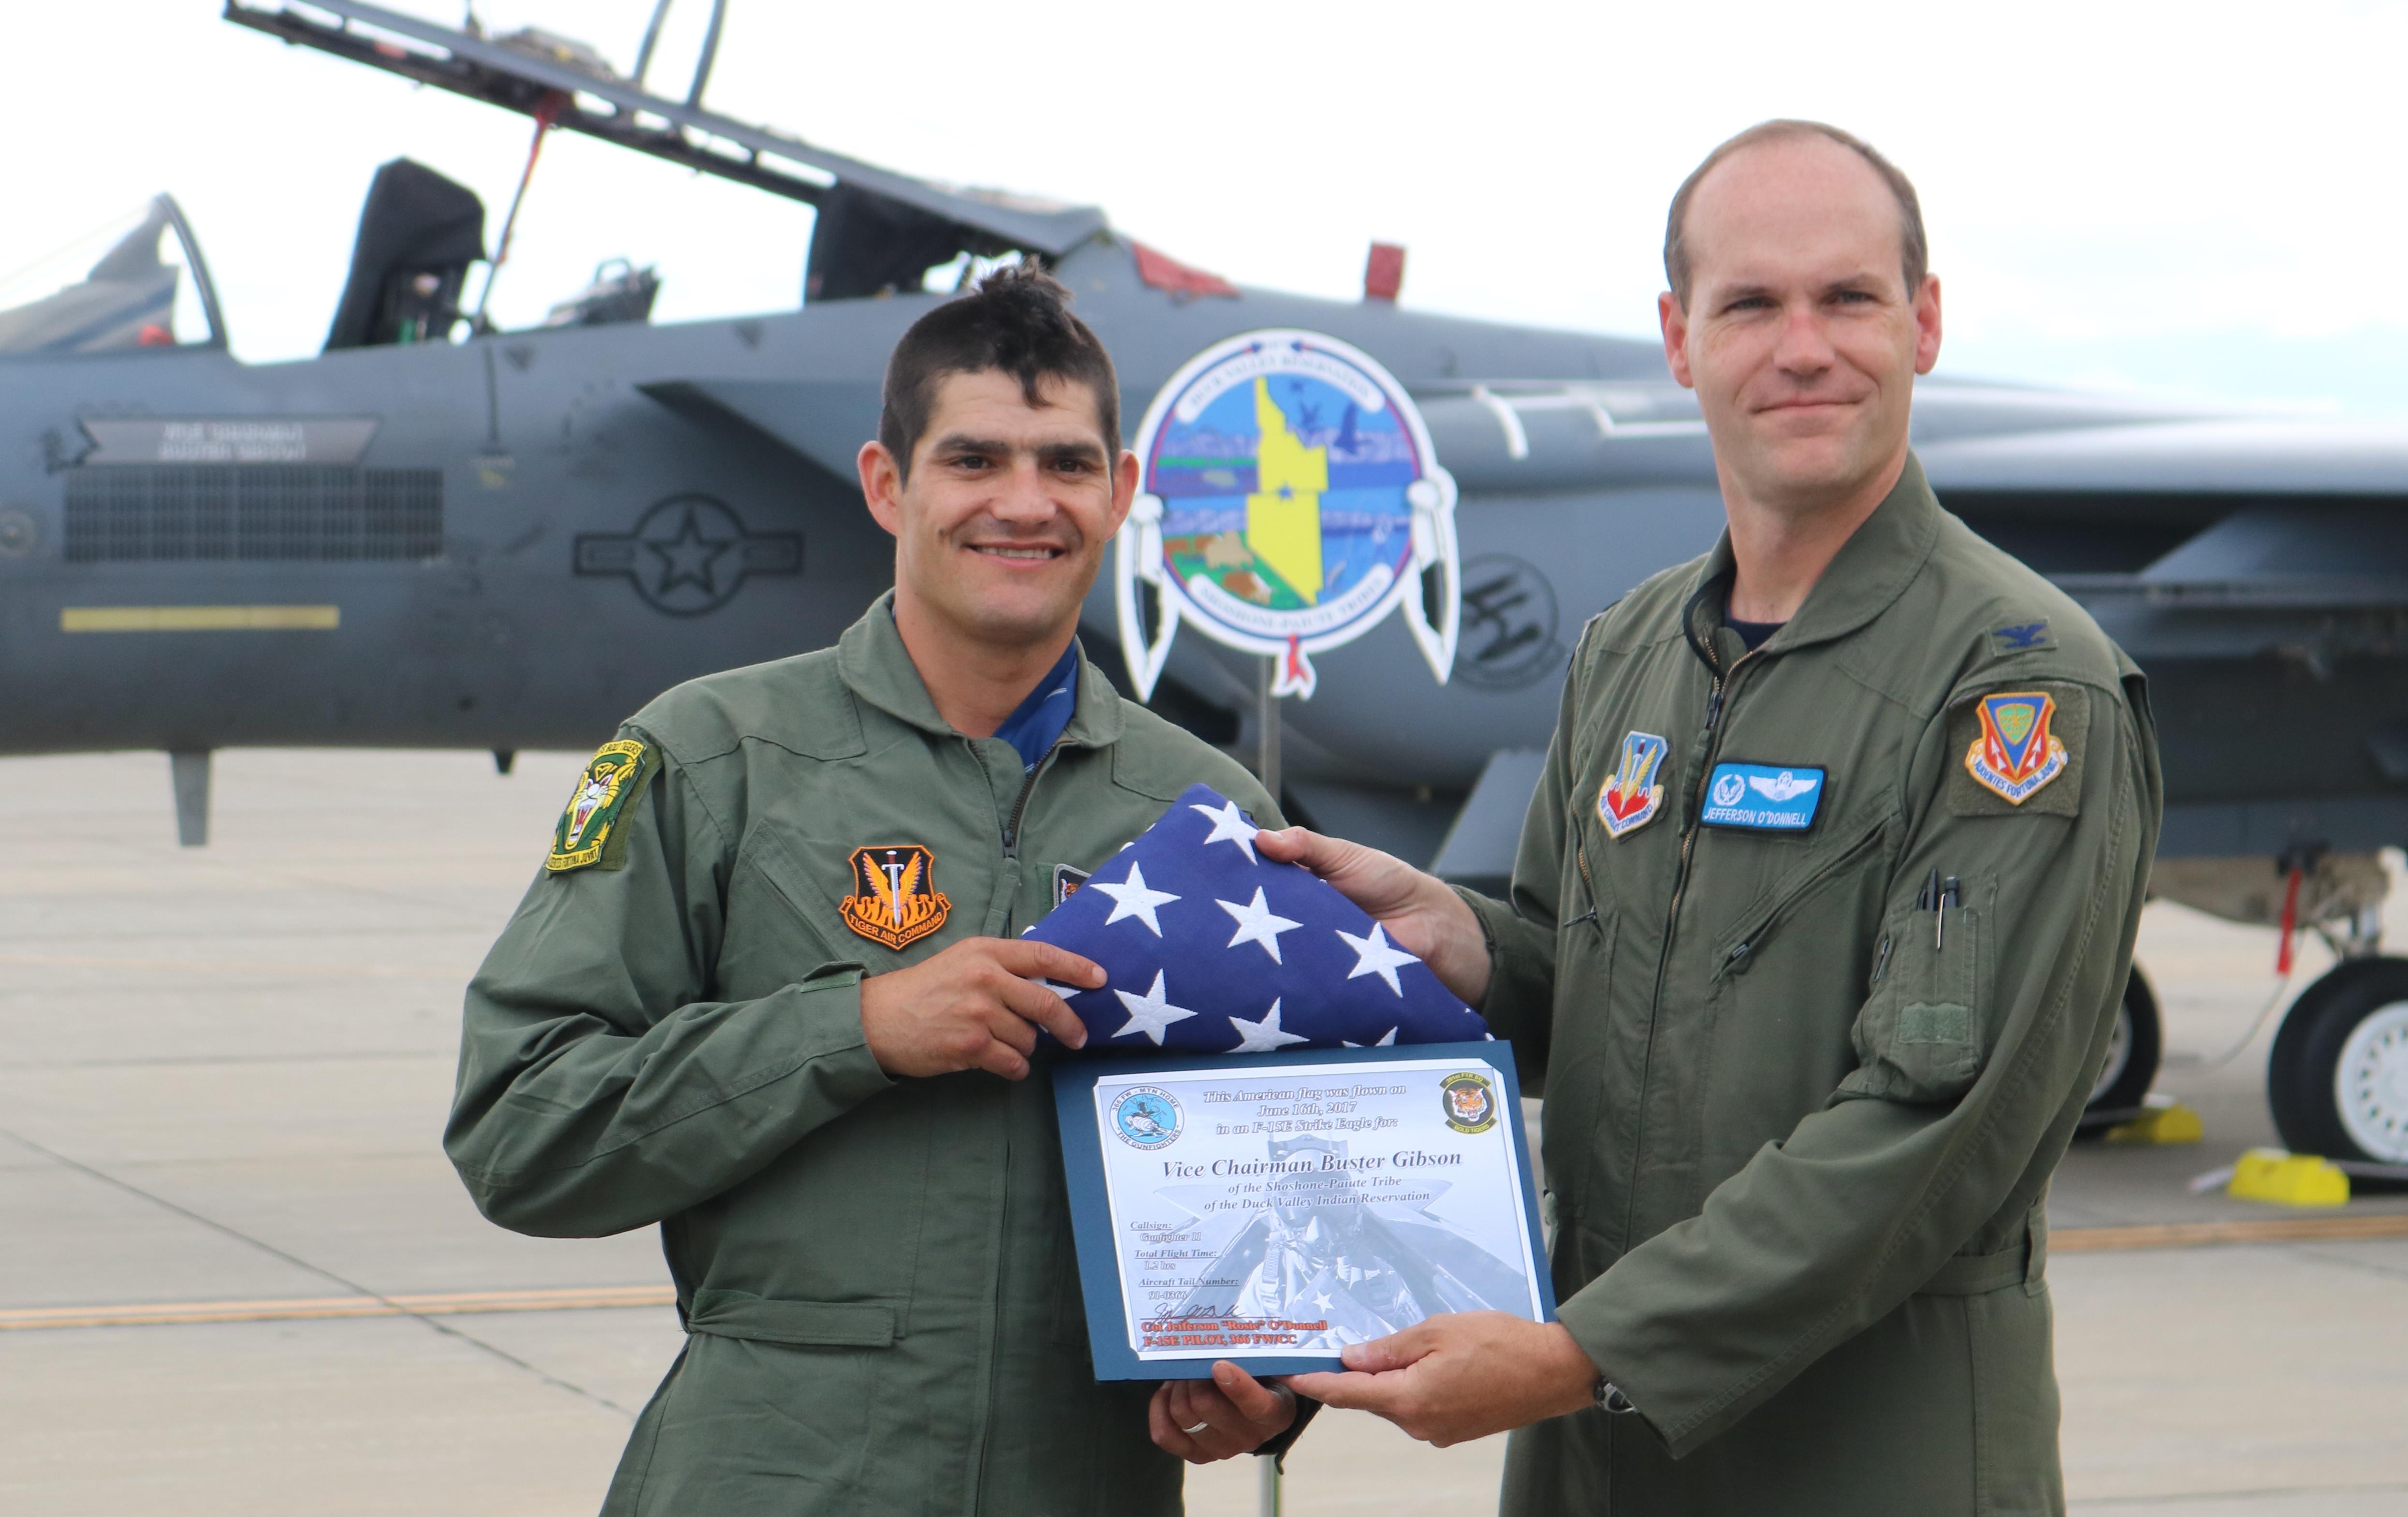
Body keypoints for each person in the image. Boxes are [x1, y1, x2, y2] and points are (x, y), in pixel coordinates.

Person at [1274, 121, 2163, 1514]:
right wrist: (1466, 949)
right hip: (1600, 1461)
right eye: (1751, 304)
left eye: (1848, 298)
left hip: (1871, 1461)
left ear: (1924, 322)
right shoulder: (1634, 651)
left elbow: (1929, 1128)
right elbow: (1595, 1002)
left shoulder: (2018, 688)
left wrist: (1584, 1353)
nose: (1803, 348)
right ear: (1679, 339)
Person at [445, 265, 1302, 1514]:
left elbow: (1296, 1192)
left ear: (1120, 492)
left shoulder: (1210, 816)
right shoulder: (715, 759)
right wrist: (857, 1029)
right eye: (975, 460)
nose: (1025, 503)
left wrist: (1268, 1387)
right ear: (888, 484)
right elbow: (521, 1132)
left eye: (1066, 464)